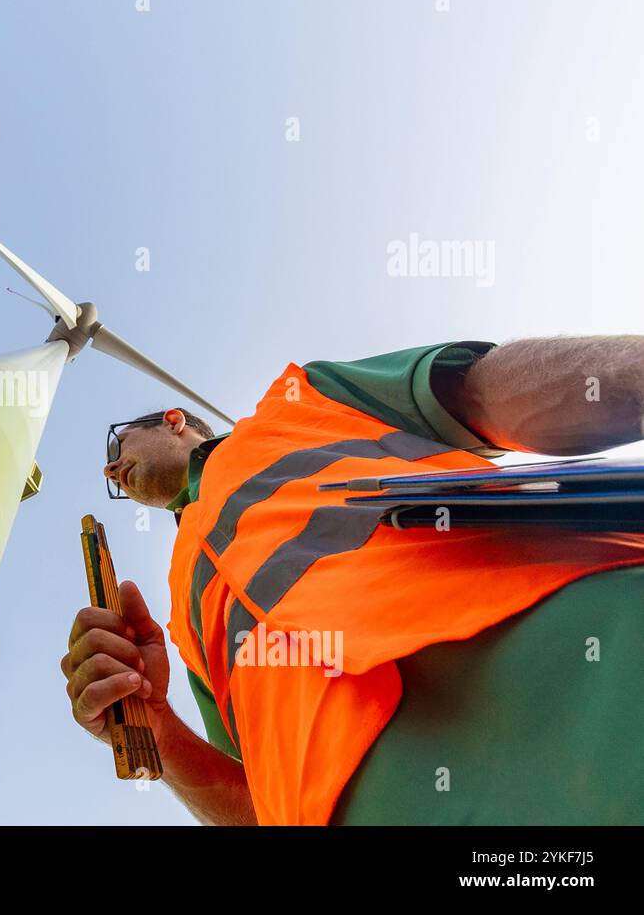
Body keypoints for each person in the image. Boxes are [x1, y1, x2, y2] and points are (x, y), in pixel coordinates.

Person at [63, 338, 644, 824]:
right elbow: (255, 803)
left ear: (174, 422)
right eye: (110, 474)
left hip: (583, 647)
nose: (112, 469)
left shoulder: (299, 403)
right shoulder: (183, 620)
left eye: (117, 446)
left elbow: (482, 392)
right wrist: (161, 735)